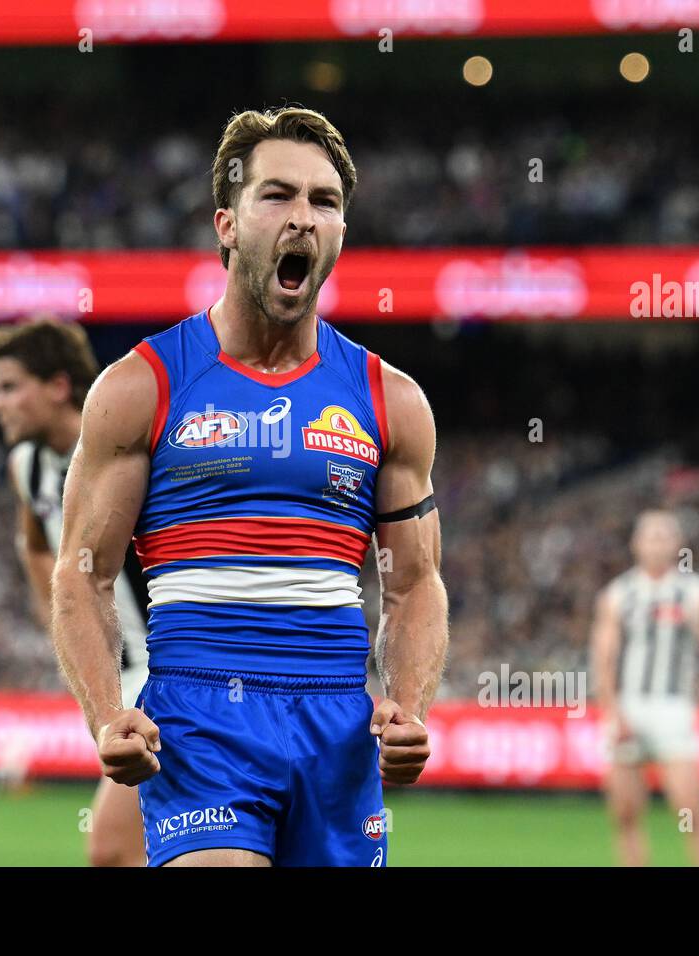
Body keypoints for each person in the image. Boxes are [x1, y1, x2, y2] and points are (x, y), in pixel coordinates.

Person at [50, 106, 449, 866]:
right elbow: (82, 573)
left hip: (338, 730)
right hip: (200, 721)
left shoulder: (388, 399)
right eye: (278, 196)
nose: (303, 218)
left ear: (340, 234)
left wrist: (407, 706)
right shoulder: (142, 388)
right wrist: (108, 715)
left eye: (324, 203)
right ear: (227, 224)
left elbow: (416, 583)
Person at [0, 319, 151, 866]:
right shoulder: (27, 467)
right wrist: (58, 618)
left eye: (10, 386)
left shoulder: (125, 449)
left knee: (112, 849)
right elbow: (33, 541)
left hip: (170, 675)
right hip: (117, 683)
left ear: (58, 386)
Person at [590, 509, 699, 866]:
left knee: (692, 813)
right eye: (650, 536)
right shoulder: (617, 594)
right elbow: (604, 660)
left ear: (678, 544)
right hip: (629, 707)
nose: (657, 543)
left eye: (664, 536)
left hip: (673, 710)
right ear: (635, 543)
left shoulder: (697, 593)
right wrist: (613, 713)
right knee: (625, 814)